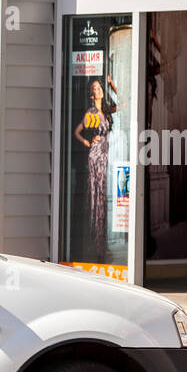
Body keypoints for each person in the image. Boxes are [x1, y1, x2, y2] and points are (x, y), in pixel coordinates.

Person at [74, 77, 117, 260]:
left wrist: (112, 85)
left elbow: (121, 103)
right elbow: (77, 131)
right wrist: (87, 142)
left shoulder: (106, 111)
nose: (98, 91)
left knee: (101, 197)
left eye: (100, 88)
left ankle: (100, 242)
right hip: (95, 156)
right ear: (91, 94)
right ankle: (94, 243)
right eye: (95, 89)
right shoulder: (91, 113)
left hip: (104, 157)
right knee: (96, 196)